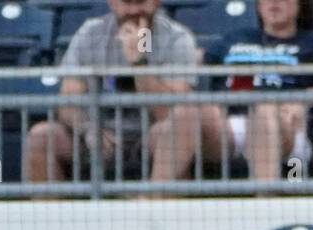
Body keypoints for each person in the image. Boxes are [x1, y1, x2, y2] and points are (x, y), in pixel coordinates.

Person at [26, 0, 201, 183]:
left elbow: (169, 112)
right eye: (126, 2)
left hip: (150, 136)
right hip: (100, 136)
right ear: (112, 3)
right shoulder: (91, 33)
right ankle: (49, 209)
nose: (133, 10)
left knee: (182, 125)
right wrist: (89, 129)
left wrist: (139, 63)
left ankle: (153, 204)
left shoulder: (177, 38)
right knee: (41, 135)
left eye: (141, 2)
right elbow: (68, 101)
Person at [196, 0, 313, 182]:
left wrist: (305, 100)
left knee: (265, 111)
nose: (274, 2)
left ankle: (266, 203)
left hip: (288, 128)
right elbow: (191, 58)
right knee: (185, 116)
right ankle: (163, 201)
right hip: (231, 125)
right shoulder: (235, 39)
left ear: (300, 5)